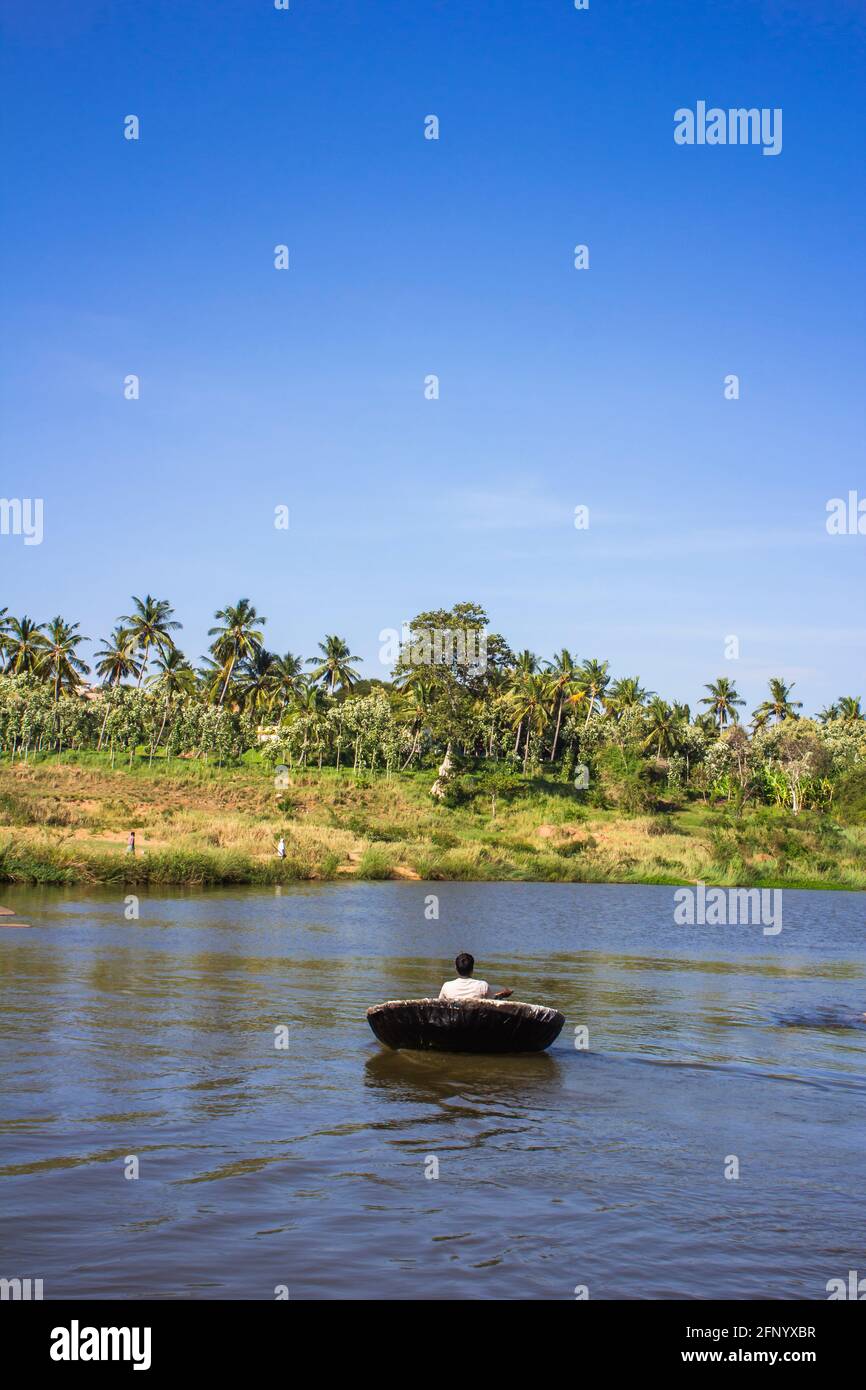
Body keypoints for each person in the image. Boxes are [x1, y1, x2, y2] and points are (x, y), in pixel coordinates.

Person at [439, 952, 512, 1001]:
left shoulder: (447, 986)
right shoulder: (482, 986)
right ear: (472, 969)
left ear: (456, 969)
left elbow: (439, 1005)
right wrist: (502, 995)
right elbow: (493, 1001)